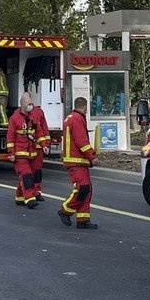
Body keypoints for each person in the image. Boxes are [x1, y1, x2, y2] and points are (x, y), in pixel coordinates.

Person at [58, 97, 98, 229]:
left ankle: (83, 220)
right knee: (83, 188)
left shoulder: (72, 117)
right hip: (76, 160)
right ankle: (65, 211)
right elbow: (81, 141)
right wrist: (92, 156)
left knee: (87, 190)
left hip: (77, 161)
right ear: (85, 107)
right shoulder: (77, 119)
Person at [7, 93, 39, 209]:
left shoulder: (33, 118)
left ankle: (19, 197)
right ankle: (29, 198)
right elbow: (10, 138)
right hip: (20, 154)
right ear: (22, 105)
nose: (31, 106)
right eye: (29, 104)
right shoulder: (14, 119)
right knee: (26, 176)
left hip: (31, 153)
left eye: (32, 103)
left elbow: (38, 132)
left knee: (27, 176)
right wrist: (11, 153)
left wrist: (44, 144)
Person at [29, 101, 51, 202]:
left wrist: (46, 144)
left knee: (37, 171)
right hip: (26, 148)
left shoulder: (38, 112)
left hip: (38, 147)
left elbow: (44, 128)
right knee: (26, 172)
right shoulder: (18, 114)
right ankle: (28, 193)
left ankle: (37, 192)